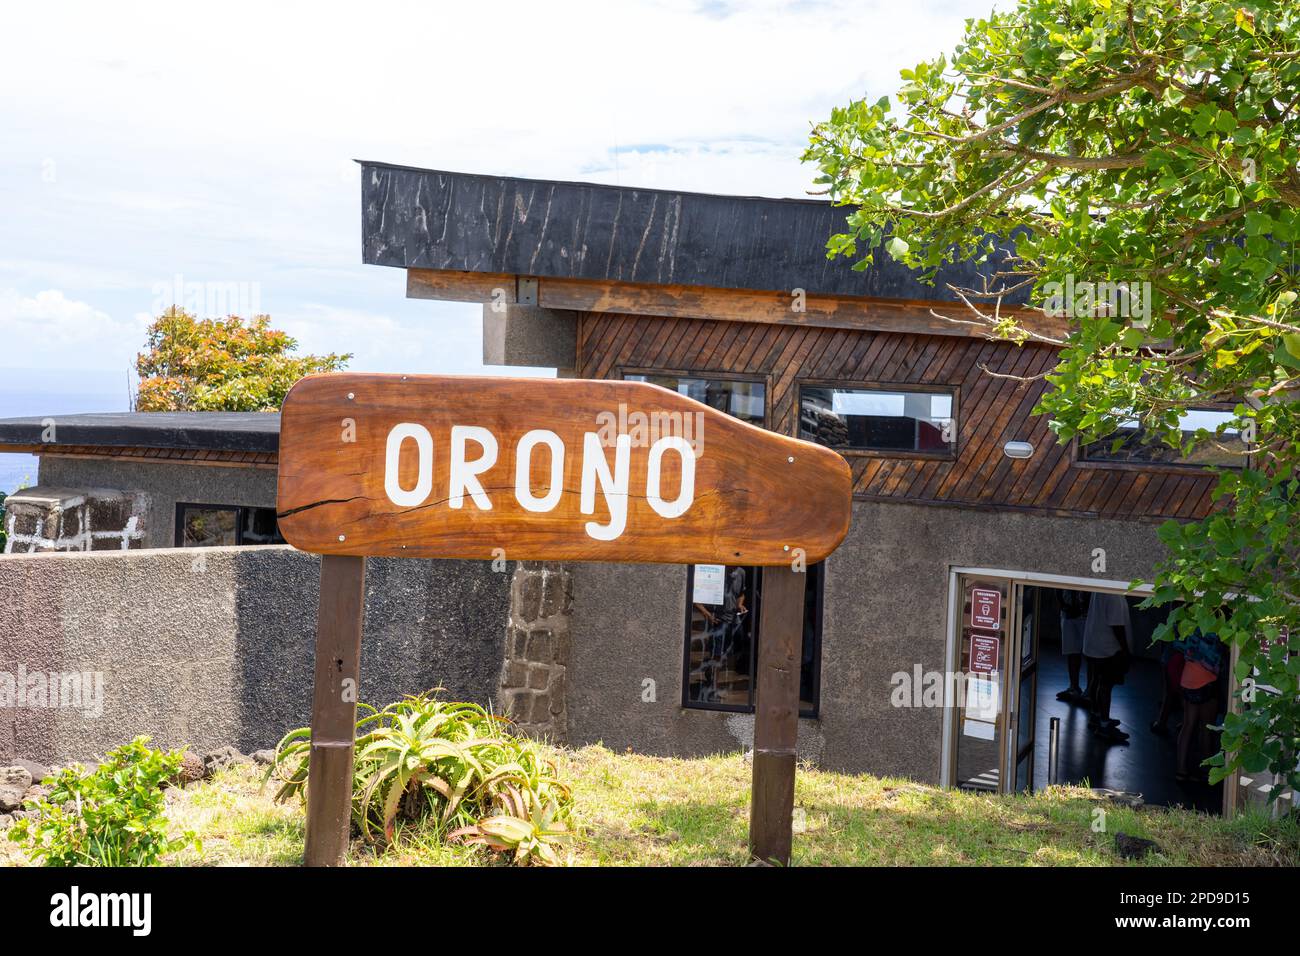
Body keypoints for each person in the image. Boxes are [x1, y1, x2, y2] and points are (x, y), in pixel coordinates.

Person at [1082, 592, 1133, 743]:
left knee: (1097, 681)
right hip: (1108, 649)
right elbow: (1116, 624)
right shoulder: (1114, 594)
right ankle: (1104, 725)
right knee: (1105, 685)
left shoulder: (1101, 589)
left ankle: (1096, 717)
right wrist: (1125, 649)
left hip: (1094, 643)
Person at [1176, 629, 1225, 784]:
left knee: (1187, 725)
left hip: (1187, 679)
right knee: (1206, 728)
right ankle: (1205, 771)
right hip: (1207, 681)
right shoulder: (1217, 628)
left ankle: (1181, 769)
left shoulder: (1190, 625)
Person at [1056, 589, 1092, 704]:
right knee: (1071, 651)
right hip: (1067, 614)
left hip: (1085, 614)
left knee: (1090, 653)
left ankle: (1090, 690)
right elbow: (1057, 587)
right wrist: (1063, 605)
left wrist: (1084, 606)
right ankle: (1074, 687)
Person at [1150, 634, 1187, 736]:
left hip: (1174, 656)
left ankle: (1162, 723)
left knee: (1170, 693)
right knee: (1183, 693)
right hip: (1182, 657)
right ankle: (1186, 723)